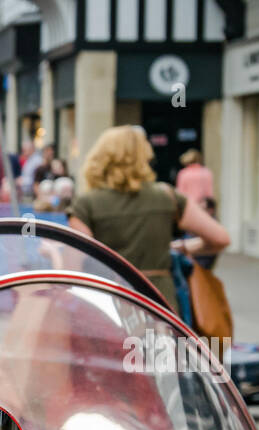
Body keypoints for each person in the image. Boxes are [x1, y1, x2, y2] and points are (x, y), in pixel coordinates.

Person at [67, 125, 229, 314]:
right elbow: (220, 239)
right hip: (161, 305)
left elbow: (74, 268)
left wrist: (53, 255)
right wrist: (182, 247)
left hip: (109, 305)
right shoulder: (167, 196)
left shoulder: (86, 204)